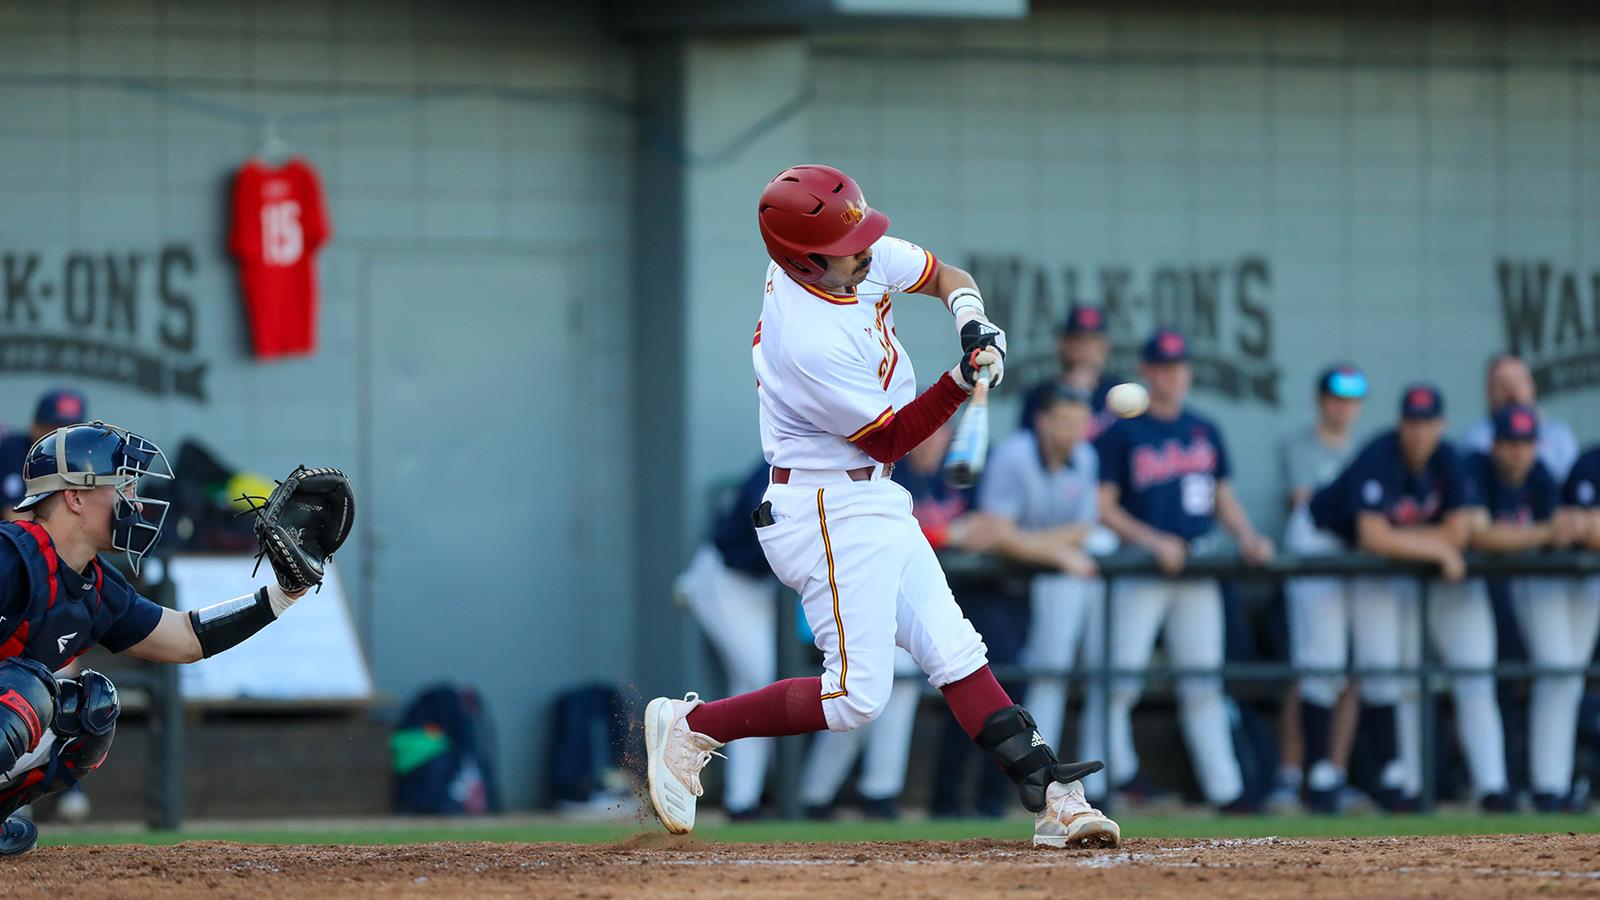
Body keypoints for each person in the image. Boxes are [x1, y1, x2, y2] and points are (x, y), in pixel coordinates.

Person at [642, 164, 1118, 848]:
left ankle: (1054, 797)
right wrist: (961, 380)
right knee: (854, 699)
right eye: (850, 245)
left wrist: (973, 323)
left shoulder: (846, 258)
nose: (867, 252)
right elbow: (892, 434)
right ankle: (692, 729)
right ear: (804, 258)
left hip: (872, 496)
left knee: (955, 652)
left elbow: (944, 275)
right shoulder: (805, 337)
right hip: (824, 505)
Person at [0, 422, 341, 854]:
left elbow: (183, 638)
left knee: (90, 710)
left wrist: (282, 596)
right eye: (121, 485)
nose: (134, 501)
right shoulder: (12, 555)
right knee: (28, 688)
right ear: (75, 497)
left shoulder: (97, 585)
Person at [1081, 328, 1274, 812]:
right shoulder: (1123, 430)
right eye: (1163, 367)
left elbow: (1221, 496)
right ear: (1147, 372)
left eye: (1179, 366)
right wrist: (1152, 541)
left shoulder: (1203, 428)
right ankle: (1098, 785)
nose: (1172, 375)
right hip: (1140, 568)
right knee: (1119, 680)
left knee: (1203, 683)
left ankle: (1226, 791)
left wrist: (1247, 536)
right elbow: (1103, 507)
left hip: (1196, 567)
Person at [1309, 385, 1510, 810]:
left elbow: (1458, 531)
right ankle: (1318, 775)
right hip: (1322, 540)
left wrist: (1409, 541)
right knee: (1326, 660)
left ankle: (1411, 782)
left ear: (1440, 425)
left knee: (1392, 666)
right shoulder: (1380, 454)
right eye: (1411, 422)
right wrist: (1436, 547)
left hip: (1392, 562)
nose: (1418, 432)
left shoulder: (1448, 459)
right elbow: (1370, 535)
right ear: (1402, 423)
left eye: (1427, 423)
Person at [980, 385, 1102, 760]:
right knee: (1026, 679)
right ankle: (1035, 769)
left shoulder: (1085, 456)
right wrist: (1060, 554)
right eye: (1063, 421)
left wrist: (1041, 546)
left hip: (1050, 581)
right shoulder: (1013, 456)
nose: (1071, 431)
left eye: (1078, 423)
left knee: (1094, 669)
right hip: (997, 586)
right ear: (1042, 421)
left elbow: (1083, 530)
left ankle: (1088, 774)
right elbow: (995, 533)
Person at [1277, 365, 1370, 813]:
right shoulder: (1301, 444)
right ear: (1321, 400)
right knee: (1314, 667)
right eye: (1337, 397)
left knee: (1350, 672)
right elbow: (1303, 501)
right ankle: (1292, 771)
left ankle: (1334, 770)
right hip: (1315, 559)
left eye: (1353, 399)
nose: (1344, 406)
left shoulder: (1364, 450)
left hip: (1356, 563)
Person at [671, 460, 781, 820]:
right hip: (726, 581)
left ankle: (744, 800)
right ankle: (686, 749)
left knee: (753, 684)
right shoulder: (780, 461)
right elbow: (765, 522)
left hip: (765, 589)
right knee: (762, 682)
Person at [1551, 444, 1600, 811]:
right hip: (1582, 589)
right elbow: (1581, 528)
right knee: (1565, 678)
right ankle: (1554, 784)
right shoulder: (1589, 462)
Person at [1461, 355, 1578, 481]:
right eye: (1502, 383)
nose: (1511, 391)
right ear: (1489, 391)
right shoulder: (1476, 437)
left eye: (1518, 382)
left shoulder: (1558, 433)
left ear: (1532, 387)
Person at [1019, 305, 1122, 441]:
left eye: (1093, 340)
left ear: (1105, 346)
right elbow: (1030, 454)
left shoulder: (1118, 392)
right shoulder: (1040, 396)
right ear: (1062, 344)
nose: (1085, 349)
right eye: (1078, 339)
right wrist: (1070, 393)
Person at [0, 390, 89, 523]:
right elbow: (16, 518)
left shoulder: (77, 462)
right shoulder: (12, 449)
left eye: (70, 430)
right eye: (55, 428)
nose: (61, 438)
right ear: (35, 426)